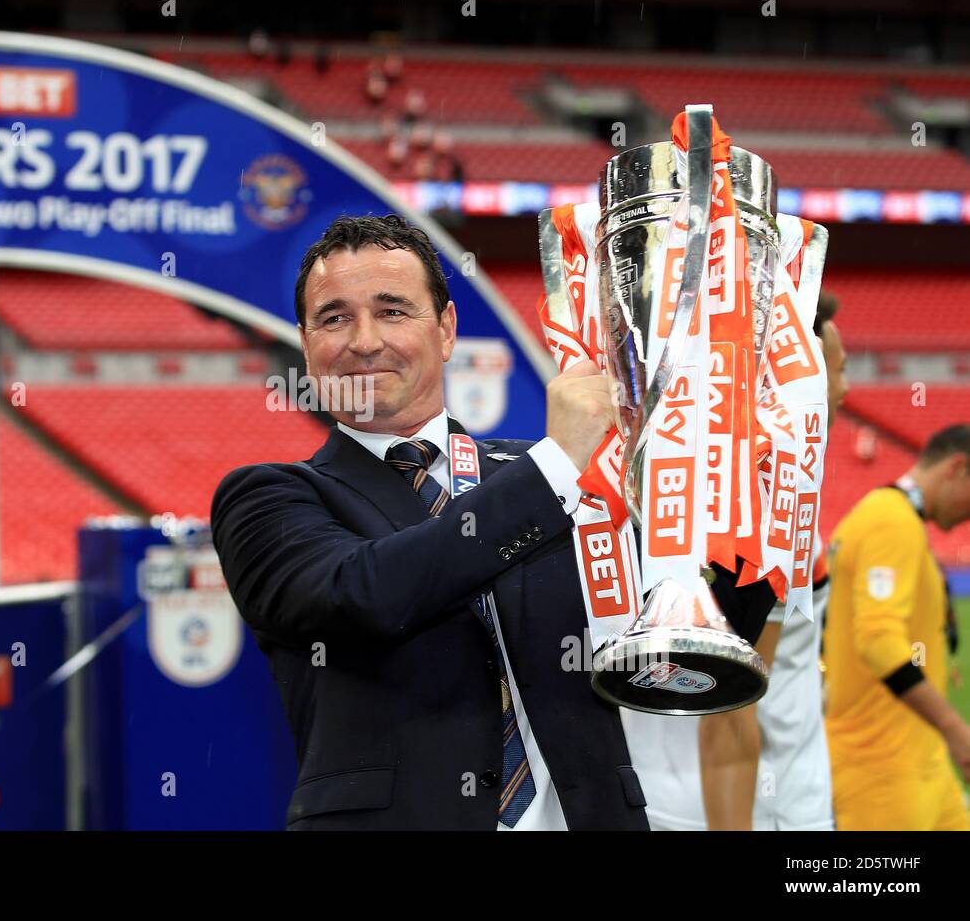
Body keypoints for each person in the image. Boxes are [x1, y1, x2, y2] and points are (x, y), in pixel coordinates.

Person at [211, 214, 648, 830]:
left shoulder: (552, 474)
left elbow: (675, 629)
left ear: (446, 331)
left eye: (392, 311)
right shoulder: (269, 499)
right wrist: (556, 465)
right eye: (335, 318)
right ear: (307, 348)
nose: (364, 341)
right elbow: (363, 594)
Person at [622, 290, 846, 831]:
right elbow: (730, 715)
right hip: (763, 811)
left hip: (649, 800)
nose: (845, 388)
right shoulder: (763, 517)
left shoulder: (640, 493)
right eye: (838, 368)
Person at [825, 422, 970, 831]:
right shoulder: (890, 519)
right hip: (881, 769)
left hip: (922, 760)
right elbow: (878, 641)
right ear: (958, 468)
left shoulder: (901, 519)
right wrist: (956, 729)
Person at [753, 289, 848, 831]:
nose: (846, 390)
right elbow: (736, 705)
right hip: (782, 809)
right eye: (838, 370)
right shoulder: (775, 516)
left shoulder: (760, 503)